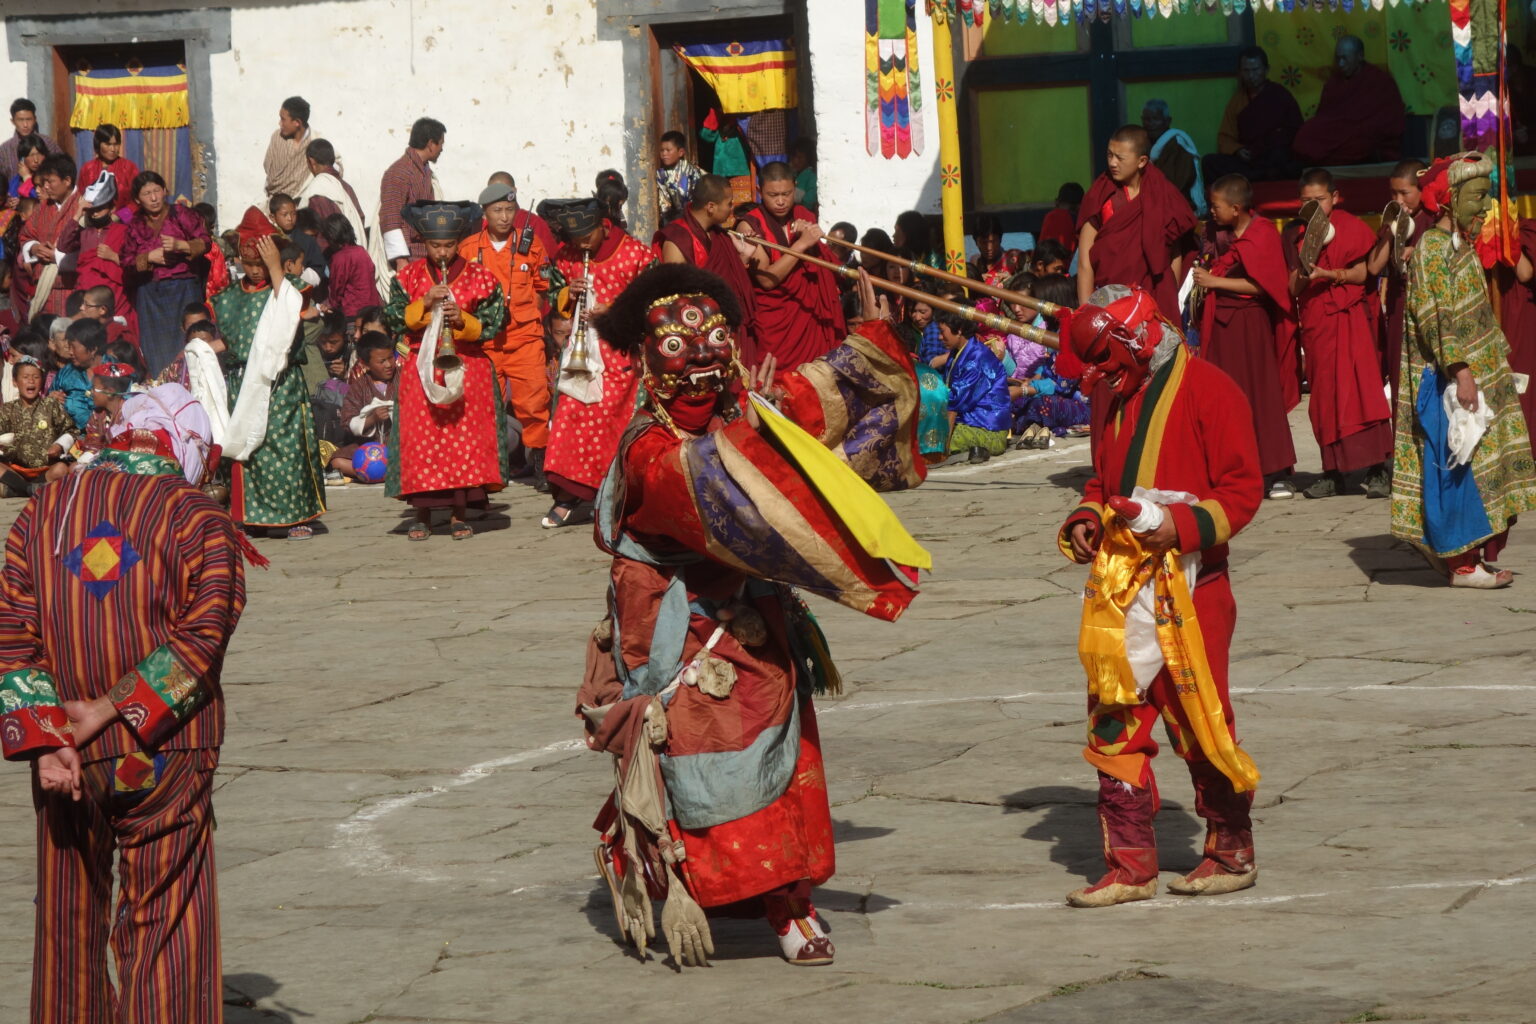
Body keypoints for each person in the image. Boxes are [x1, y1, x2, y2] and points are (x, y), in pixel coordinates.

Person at [577, 262, 927, 969]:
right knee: (700, 759)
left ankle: (788, 904)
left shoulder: (745, 411)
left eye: (713, 337)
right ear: (648, 356)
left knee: (774, 748)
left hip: (751, 620)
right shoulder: (649, 446)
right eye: (679, 344)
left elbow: (815, 405)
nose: (703, 354)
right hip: (678, 631)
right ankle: (693, 881)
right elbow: (714, 482)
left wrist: (869, 342)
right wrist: (762, 424)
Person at [0, 418, 245, 1024]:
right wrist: (112, 708)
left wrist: (46, 740)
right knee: (166, 920)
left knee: (68, 920)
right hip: (161, 750)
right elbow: (205, 631)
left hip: (66, 758)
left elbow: (11, 631)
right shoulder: (195, 514)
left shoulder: (42, 513)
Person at [1058, 284, 1262, 908]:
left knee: (1200, 716)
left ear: (1136, 341)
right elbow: (1102, 475)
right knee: (1114, 713)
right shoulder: (1111, 392)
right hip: (1122, 585)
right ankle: (1130, 866)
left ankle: (1231, 849)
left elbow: (1243, 490)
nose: (1096, 376)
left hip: (1196, 589)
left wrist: (1181, 527)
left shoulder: (1212, 390)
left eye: (1105, 360)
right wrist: (1089, 514)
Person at [1391, 153, 1536, 588]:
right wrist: (1463, 373)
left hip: (1479, 371)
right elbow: (1437, 316)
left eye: (1487, 194)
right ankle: (1461, 562)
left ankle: (1469, 552)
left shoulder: (1459, 245)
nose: (1486, 204)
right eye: (1477, 195)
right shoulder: (1433, 250)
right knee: (1458, 462)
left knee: (1483, 461)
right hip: (1451, 380)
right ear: (1450, 200)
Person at [382, 200, 507, 539]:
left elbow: (497, 321)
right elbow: (392, 317)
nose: (443, 251)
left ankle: (458, 513)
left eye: (449, 245)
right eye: (436, 245)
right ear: (425, 243)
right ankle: (421, 512)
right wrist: (423, 303)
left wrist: (462, 319)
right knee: (422, 439)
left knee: (461, 441)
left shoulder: (481, 277)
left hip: (466, 367)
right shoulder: (406, 277)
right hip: (420, 368)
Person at [211, 208, 327, 539]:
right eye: (249, 265)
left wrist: (276, 267)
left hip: (281, 384)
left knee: (282, 446)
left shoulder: (289, 286)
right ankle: (252, 514)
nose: (256, 271)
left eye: (262, 265)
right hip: (243, 383)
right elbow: (232, 340)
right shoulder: (229, 297)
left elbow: (289, 310)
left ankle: (293, 515)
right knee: (249, 449)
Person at [543, 198, 654, 527]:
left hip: (620, 354)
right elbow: (552, 294)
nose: (581, 245)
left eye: (587, 238)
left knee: (612, 425)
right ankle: (566, 496)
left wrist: (615, 309)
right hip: (580, 354)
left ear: (604, 227)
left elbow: (656, 299)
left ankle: (615, 498)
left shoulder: (636, 255)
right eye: (576, 240)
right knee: (568, 418)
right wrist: (569, 294)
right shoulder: (567, 256)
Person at [1287, 168, 1393, 499]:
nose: (1313, 207)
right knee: (1325, 399)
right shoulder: (1297, 234)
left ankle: (1378, 469)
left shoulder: (1351, 227)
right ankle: (1332, 473)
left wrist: (1328, 273)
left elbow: (1365, 273)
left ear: (1335, 197)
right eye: (1306, 202)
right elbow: (1292, 285)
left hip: (1352, 318)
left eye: (1319, 200)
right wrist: (1308, 265)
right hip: (1319, 322)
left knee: (1364, 392)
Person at [1192, 175, 1298, 497]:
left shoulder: (1262, 234)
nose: (1211, 211)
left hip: (1250, 324)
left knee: (1261, 395)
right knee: (1223, 398)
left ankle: (1278, 471)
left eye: (1216, 206)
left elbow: (1266, 287)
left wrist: (1214, 282)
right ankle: (1230, 471)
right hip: (1221, 325)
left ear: (1236, 208)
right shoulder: (1219, 234)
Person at [459, 181, 552, 488]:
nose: (504, 217)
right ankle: (488, 471)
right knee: (485, 406)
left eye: (510, 210)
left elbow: (543, 288)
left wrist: (529, 318)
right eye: (497, 210)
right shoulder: (469, 249)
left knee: (535, 402)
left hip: (524, 339)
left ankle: (540, 464)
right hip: (485, 341)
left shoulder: (531, 245)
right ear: (485, 212)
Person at [1077, 126, 1197, 321]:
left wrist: (1169, 298)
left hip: (1154, 302)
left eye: (1120, 158)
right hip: (1109, 302)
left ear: (1142, 161)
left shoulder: (1163, 194)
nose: (1112, 163)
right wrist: (1085, 313)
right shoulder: (1101, 194)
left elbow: (1174, 253)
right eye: (1109, 155)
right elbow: (1084, 263)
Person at [743, 162, 846, 367]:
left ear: (795, 188)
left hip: (808, 315)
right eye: (773, 195)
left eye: (787, 194)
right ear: (759, 191)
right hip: (775, 325)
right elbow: (766, 280)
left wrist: (809, 237)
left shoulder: (803, 216)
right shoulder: (750, 225)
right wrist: (801, 244)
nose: (781, 201)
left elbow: (821, 269)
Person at [658, 173, 758, 357]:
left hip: (726, 326)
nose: (731, 208)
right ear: (711, 206)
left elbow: (728, 280)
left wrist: (743, 258)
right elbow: (676, 295)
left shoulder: (719, 235)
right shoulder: (678, 238)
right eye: (729, 203)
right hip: (699, 335)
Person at [122, 171, 210, 376]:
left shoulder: (182, 215)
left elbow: (205, 241)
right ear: (137, 199)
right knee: (157, 348)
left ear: (164, 191)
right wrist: (148, 258)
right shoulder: (135, 224)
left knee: (189, 341)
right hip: (151, 294)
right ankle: (163, 388)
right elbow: (125, 261)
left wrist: (182, 245)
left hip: (184, 288)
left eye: (156, 191)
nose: (153, 198)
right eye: (146, 194)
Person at [1367, 159, 1433, 415]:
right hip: (1399, 306)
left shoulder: (1435, 220)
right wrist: (1392, 231)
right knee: (1399, 375)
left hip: (1427, 306)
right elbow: (1374, 267)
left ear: (1422, 191)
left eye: (1404, 193)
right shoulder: (1391, 222)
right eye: (1393, 193)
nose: (1399, 199)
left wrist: (1418, 250)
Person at [1293, 36, 1406, 167]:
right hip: (1337, 132)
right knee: (1305, 134)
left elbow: (1391, 121)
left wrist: (1358, 129)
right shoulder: (1334, 82)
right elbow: (1324, 115)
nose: (1340, 64)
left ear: (1360, 56)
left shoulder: (1380, 81)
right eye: (1338, 58)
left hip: (1364, 135)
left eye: (1345, 58)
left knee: (1358, 143)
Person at [1204, 47, 1303, 183]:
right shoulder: (1237, 101)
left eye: (1255, 70)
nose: (1251, 76)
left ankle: (1254, 177)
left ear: (1266, 70)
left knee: (1281, 157)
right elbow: (1225, 137)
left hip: (1272, 158)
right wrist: (1237, 150)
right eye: (1246, 71)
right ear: (1239, 72)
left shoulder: (1280, 95)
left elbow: (1296, 131)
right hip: (1250, 161)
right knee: (1209, 162)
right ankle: (1256, 176)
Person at [929, 309, 1010, 463]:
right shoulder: (959, 352)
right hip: (967, 421)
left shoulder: (976, 359)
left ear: (958, 330)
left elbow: (955, 403)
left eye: (942, 332)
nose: (940, 337)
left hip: (988, 430)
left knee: (928, 439)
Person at [16, 154, 81, 321]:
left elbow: (89, 249)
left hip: (71, 288)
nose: (45, 187)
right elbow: (26, 234)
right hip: (43, 289)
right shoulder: (43, 207)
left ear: (67, 181)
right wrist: (34, 247)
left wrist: (57, 257)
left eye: (50, 181)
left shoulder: (84, 206)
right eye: (43, 182)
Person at [330, 329, 397, 482]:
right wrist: (372, 419)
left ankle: (379, 475)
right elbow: (347, 421)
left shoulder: (404, 378)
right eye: (381, 361)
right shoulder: (359, 386)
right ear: (365, 364)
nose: (388, 365)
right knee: (338, 461)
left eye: (390, 358)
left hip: (400, 445)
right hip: (370, 448)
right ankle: (381, 473)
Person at [379, 117, 444, 271]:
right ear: (430, 144)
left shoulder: (423, 171)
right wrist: (401, 261)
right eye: (441, 143)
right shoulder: (399, 172)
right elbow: (390, 217)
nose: (442, 149)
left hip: (425, 255)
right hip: (408, 259)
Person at [0, 357, 73, 495]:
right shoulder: (7, 409)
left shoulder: (52, 405)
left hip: (46, 470)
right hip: (15, 470)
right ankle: (29, 489)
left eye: (36, 377)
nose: (31, 381)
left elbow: (71, 430)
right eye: (25, 377)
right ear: (15, 382)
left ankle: (18, 490)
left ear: (43, 381)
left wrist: (59, 445)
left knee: (61, 470)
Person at [75, 172, 132, 327]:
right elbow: (63, 246)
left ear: (111, 207)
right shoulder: (85, 233)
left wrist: (114, 257)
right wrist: (78, 213)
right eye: (92, 209)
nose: (95, 213)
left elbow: (134, 263)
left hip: (116, 297)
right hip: (89, 300)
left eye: (100, 208)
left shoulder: (123, 231)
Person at [298, 138, 368, 245]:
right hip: (355, 250)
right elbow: (360, 219)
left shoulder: (317, 190)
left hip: (334, 257)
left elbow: (322, 236)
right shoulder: (346, 186)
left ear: (312, 162)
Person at [319, 212, 380, 332]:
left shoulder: (340, 258)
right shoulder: (361, 251)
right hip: (373, 310)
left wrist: (329, 306)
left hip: (353, 314)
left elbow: (336, 290)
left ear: (332, 238)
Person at [1142, 100, 1205, 215]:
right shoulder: (1145, 142)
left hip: (1178, 203)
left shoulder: (1177, 145)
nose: (1150, 124)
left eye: (1155, 119)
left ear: (1168, 121)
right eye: (1146, 119)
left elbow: (1178, 186)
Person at [1504, 218, 1536, 440]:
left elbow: (1525, 273)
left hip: (1519, 311)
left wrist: (1506, 236)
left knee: (1522, 379)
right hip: (1492, 309)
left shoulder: (1520, 229)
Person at [56, 316, 105, 430]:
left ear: (93, 349)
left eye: (73, 347)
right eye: (69, 347)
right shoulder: (65, 374)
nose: (70, 352)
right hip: (72, 441)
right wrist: (52, 399)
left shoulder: (115, 372)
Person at [78, 124, 139, 214]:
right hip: (93, 221)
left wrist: (120, 216)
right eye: (108, 144)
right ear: (98, 144)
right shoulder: (87, 169)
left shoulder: (129, 168)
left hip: (123, 223)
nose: (113, 149)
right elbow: (81, 197)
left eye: (116, 144)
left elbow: (137, 201)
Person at [264, 95, 314, 198]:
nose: (279, 123)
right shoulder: (277, 137)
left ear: (297, 122)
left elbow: (332, 166)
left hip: (302, 204)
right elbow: (267, 166)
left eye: (283, 119)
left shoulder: (314, 141)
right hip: (275, 203)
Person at [0, 98, 58, 184]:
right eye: (20, 120)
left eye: (28, 119)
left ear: (35, 119)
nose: (25, 125)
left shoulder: (48, 143)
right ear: (13, 121)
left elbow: (61, 171)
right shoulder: (5, 150)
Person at [269, 193, 325, 277]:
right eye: (285, 215)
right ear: (272, 217)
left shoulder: (307, 240)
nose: (290, 218)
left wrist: (301, 279)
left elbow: (318, 267)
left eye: (293, 214)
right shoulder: (268, 239)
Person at [655, 130, 700, 225]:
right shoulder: (661, 174)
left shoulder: (692, 171)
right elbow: (664, 203)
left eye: (668, 150)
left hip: (695, 217)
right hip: (674, 219)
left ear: (681, 152)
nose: (664, 154)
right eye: (662, 150)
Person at [967, 213, 1025, 286]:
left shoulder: (1015, 259)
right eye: (984, 243)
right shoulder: (975, 263)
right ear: (976, 242)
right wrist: (977, 281)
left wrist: (1012, 280)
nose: (989, 248)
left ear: (1000, 239)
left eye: (993, 242)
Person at [1039, 183, 1083, 253]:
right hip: (1067, 261)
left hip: (1045, 260)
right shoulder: (1077, 220)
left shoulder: (1049, 216)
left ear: (1056, 202)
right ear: (1079, 207)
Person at [7, 134, 45, 203]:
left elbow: (40, 200)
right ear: (22, 159)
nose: (36, 160)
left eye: (39, 154)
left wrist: (27, 178)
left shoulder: (48, 177)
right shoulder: (16, 181)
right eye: (31, 155)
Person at [789, 138, 818, 212]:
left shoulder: (811, 176)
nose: (795, 161)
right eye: (793, 157)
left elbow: (808, 201)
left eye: (800, 158)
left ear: (809, 159)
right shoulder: (794, 173)